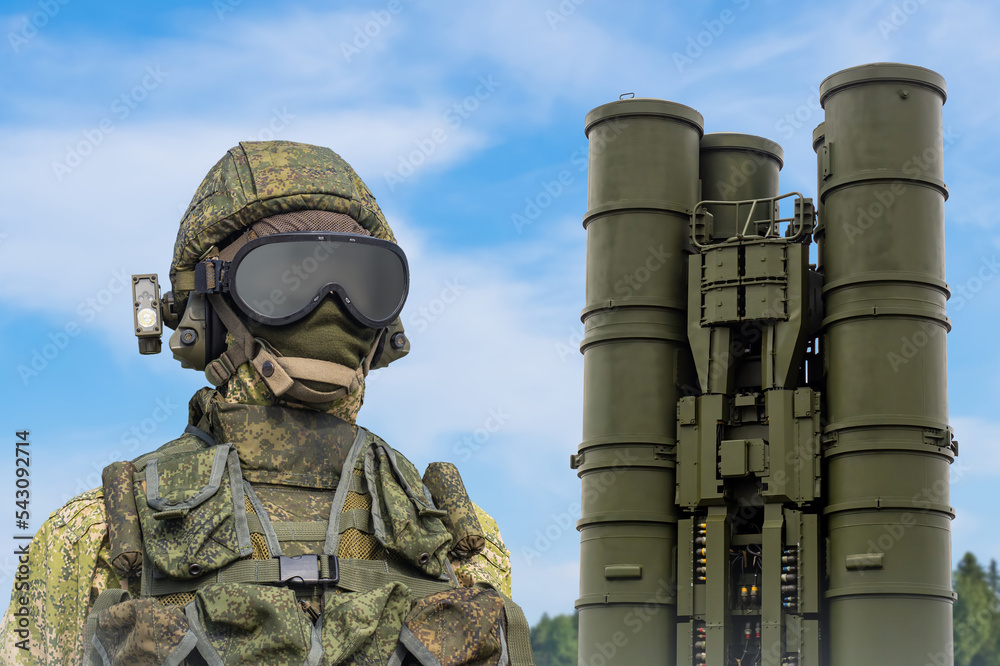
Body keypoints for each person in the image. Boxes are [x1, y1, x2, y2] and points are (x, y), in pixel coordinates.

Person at [0, 140, 533, 665]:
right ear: (205, 310)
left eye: (364, 284)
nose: (331, 304)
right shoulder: (101, 535)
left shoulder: (459, 543)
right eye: (285, 280)